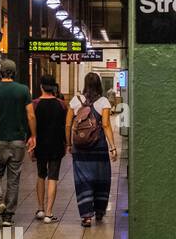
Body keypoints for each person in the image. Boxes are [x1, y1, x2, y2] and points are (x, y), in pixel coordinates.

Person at [0, 58, 32, 228]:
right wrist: (33, 135)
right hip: (18, 140)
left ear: (0, 72)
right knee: (14, 178)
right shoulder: (23, 90)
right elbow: (30, 115)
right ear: (14, 72)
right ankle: (8, 217)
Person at [66, 70, 118, 226]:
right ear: (99, 85)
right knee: (101, 179)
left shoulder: (75, 101)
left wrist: (69, 143)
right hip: (99, 148)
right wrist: (113, 147)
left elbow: (68, 124)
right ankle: (100, 212)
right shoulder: (104, 102)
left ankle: (86, 216)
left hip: (80, 149)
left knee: (83, 180)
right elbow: (106, 125)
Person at [30, 75, 68, 223]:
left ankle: (40, 209)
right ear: (54, 88)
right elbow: (65, 125)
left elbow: (31, 124)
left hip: (40, 143)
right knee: (53, 177)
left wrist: (32, 141)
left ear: (41, 87)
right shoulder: (61, 104)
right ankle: (49, 213)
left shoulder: (35, 104)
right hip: (57, 144)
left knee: (41, 175)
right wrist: (67, 143)